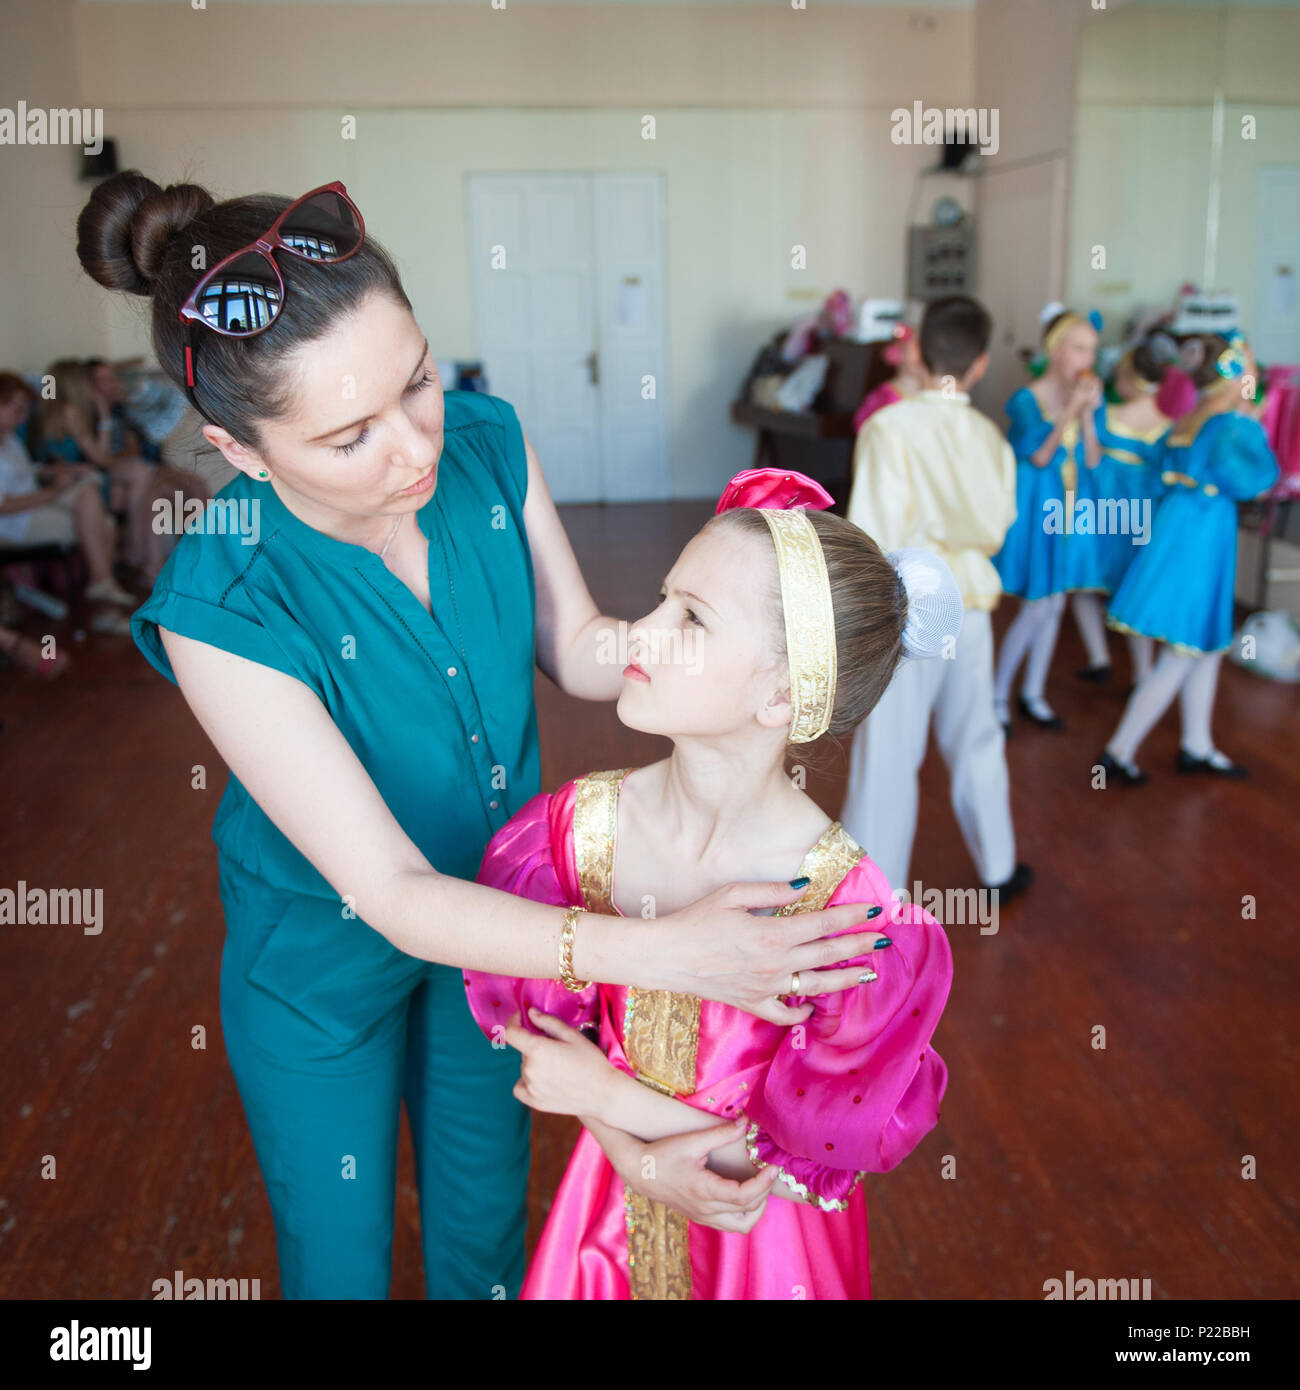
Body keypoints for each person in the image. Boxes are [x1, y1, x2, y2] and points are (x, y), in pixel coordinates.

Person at [75, 170, 887, 1299]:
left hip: (502, 941)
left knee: (483, 1232)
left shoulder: (488, 444)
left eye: (417, 383)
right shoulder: (226, 593)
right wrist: (661, 950)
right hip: (321, 962)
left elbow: (584, 646)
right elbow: (394, 891)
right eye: (349, 436)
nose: (413, 449)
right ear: (243, 450)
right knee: (339, 1260)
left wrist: (740, 624)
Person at [463, 468, 955, 1299]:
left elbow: (790, 1170)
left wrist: (605, 1096)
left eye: (688, 618)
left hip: (762, 1257)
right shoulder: (574, 833)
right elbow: (544, 1037)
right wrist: (632, 1152)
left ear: (780, 696)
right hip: (605, 1218)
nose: (638, 633)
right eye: (662, 599)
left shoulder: (846, 915)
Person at [839, 296, 1030, 901]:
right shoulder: (992, 440)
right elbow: (999, 528)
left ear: (915, 350)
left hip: (905, 612)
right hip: (969, 609)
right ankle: (998, 868)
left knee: (888, 756)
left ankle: (873, 897)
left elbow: (871, 532)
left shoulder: (886, 429)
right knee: (976, 736)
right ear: (979, 366)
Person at [1099, 332, 1279, 784]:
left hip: (1182, 530)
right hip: (1199, 540)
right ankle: (1117, 754)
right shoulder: (1231, 426)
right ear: (1235, 376)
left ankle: (1196, 744)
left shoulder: (1191, 418)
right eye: (1250, 368)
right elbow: (1258, 480)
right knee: (1182, 652)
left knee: (1206, 648)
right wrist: (1255, 424)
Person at [992, 309, 1104, 733]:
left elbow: (1093, 459)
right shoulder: (1027, 400)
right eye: (1078, 347)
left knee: (1057, 605)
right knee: (1038, 606)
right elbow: (1038, 456)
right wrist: (1067, 412)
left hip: (1070, 509)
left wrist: (1088, 414)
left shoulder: (1089, 396)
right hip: (1036, 510)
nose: (1086, 356)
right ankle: (997, 694)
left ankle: (1033, 692)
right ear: (1056, 350)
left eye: (1092, 349)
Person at [0, 370, 136, 635]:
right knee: (102, 525)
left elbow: (26, 472)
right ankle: (103, 599)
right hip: (14, 523)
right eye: (15, 409)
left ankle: (101, 586)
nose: (22, 416)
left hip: (35, 505)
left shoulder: (9, 440)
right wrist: (52, 492)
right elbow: (4, 505)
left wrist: (56, 471)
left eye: (23, 410)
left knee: (88, 486)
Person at [1075, 339, 1171, 687]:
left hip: (1100, 512)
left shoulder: (1104, 416)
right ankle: (1144, 672)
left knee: (1086, 586)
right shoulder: (1169, 426)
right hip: (1142, 517)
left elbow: (1090, 461)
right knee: (1135, 590)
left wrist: (1086, 415)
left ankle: (1099, 656)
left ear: (1130, 377)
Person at [852, 323, 922, 433]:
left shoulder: (929, 395)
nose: (920, 357)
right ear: (896, 354)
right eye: (914, 350)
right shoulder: (882, 396)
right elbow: (862, 426)